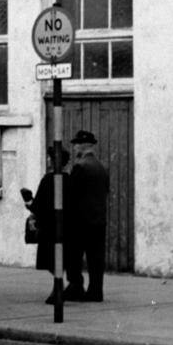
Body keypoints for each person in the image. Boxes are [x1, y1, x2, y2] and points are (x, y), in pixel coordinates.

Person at [65, 129, 110, 302]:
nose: (74, 147)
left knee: (74, 256)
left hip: (80, 220)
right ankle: (96, 291)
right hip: (99, 219)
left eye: (76, 144)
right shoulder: (102, 167)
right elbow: (105, 191)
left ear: (83, 146)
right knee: (96, 258)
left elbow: (71, 194)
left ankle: (76, 287)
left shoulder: (80, 166)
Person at [23, 143, 69, 304]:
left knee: (50, 259)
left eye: (50, 158)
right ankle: (58, 287)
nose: (48, 160)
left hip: (49, 227)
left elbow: (38, 206)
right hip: (66, 226)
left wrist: (28, 201)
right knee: (59, 259)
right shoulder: (68, 179)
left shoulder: (48, 179)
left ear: (53, 160)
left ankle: (58, 287)